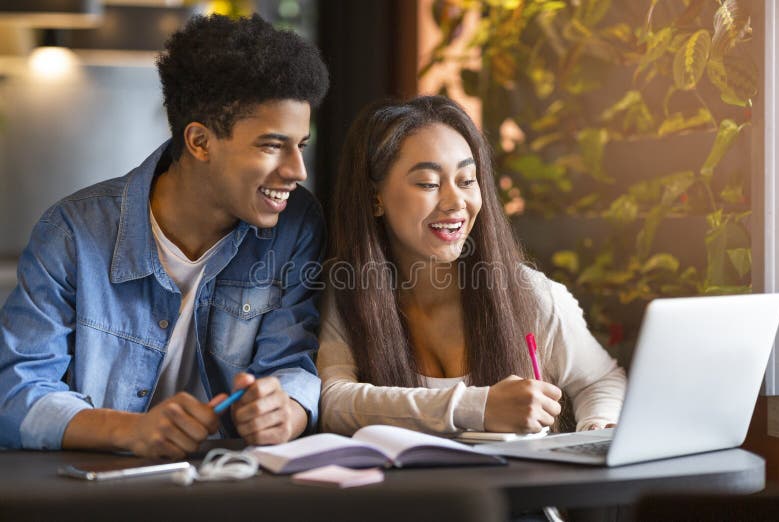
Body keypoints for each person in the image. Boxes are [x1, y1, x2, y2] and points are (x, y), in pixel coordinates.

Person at [0, 14, 329, 457]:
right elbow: (15, 397)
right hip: (97, 491)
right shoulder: (73, 233)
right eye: (272, 146)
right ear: (199, 142)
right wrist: (129, 430)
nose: (296, 171)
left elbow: (291, 364)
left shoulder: (295, 226)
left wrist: (285, 410)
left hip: (233, 486)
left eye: (300, 145)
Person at [317, 96, 625, 436]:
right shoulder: (346, 291)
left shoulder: (530, 294)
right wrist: (478, 407)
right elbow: (334, 403)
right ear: (375, 197)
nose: (456, 202)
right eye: (429, 184)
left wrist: (598, 429)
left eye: (467, 181)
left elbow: (600, 381)